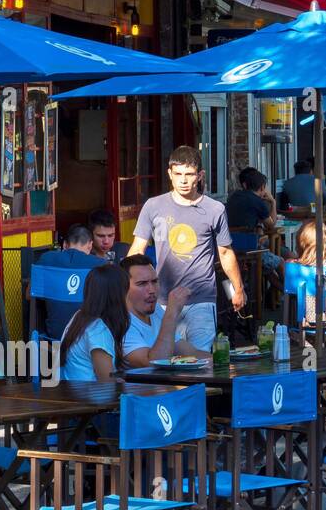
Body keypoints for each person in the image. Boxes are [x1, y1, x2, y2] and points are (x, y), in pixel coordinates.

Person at [128, 145, 243, 351]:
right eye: (178, 174)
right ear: (169, 174)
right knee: (164, 358)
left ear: (200, 175)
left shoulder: (215, 209)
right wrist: (125, 288)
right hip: (161, 298)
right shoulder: (153, 206)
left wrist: (238, 289)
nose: (183, 180)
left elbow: (225, 253)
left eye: (189, 174)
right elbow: (137, 249)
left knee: (199, 359)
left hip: (201, 297)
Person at [118, 254, 202, 366]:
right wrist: (171, 314)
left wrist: (224, 359)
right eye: (142, 284)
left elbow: (191, 353)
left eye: (154, 281)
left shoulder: (156, 309)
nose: (152, 290)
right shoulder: (121, 321)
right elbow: (153, 364)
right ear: (123, 287)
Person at [58, 264, 130, 383]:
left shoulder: (79, 317)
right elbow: (108, 383)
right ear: (117, 296)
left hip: (70, 394)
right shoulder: (98, 330)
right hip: (87, 399)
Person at [35, 225, 103, 337]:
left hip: (55, 337)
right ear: (90, 245)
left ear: (65, 244)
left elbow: (30, 295)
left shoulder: (46, 259)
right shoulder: (100, 265)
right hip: (89, 339)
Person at [226, 167, 285, 279]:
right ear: (262, 187)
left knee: (270, 273)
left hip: (230, 246)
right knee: (281, 262)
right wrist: (273, 202)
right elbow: (271, 225)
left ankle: (272, 294)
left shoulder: (233, 196)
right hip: (249, 250)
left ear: (245, 185)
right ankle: (291, 294)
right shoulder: (257, 202)